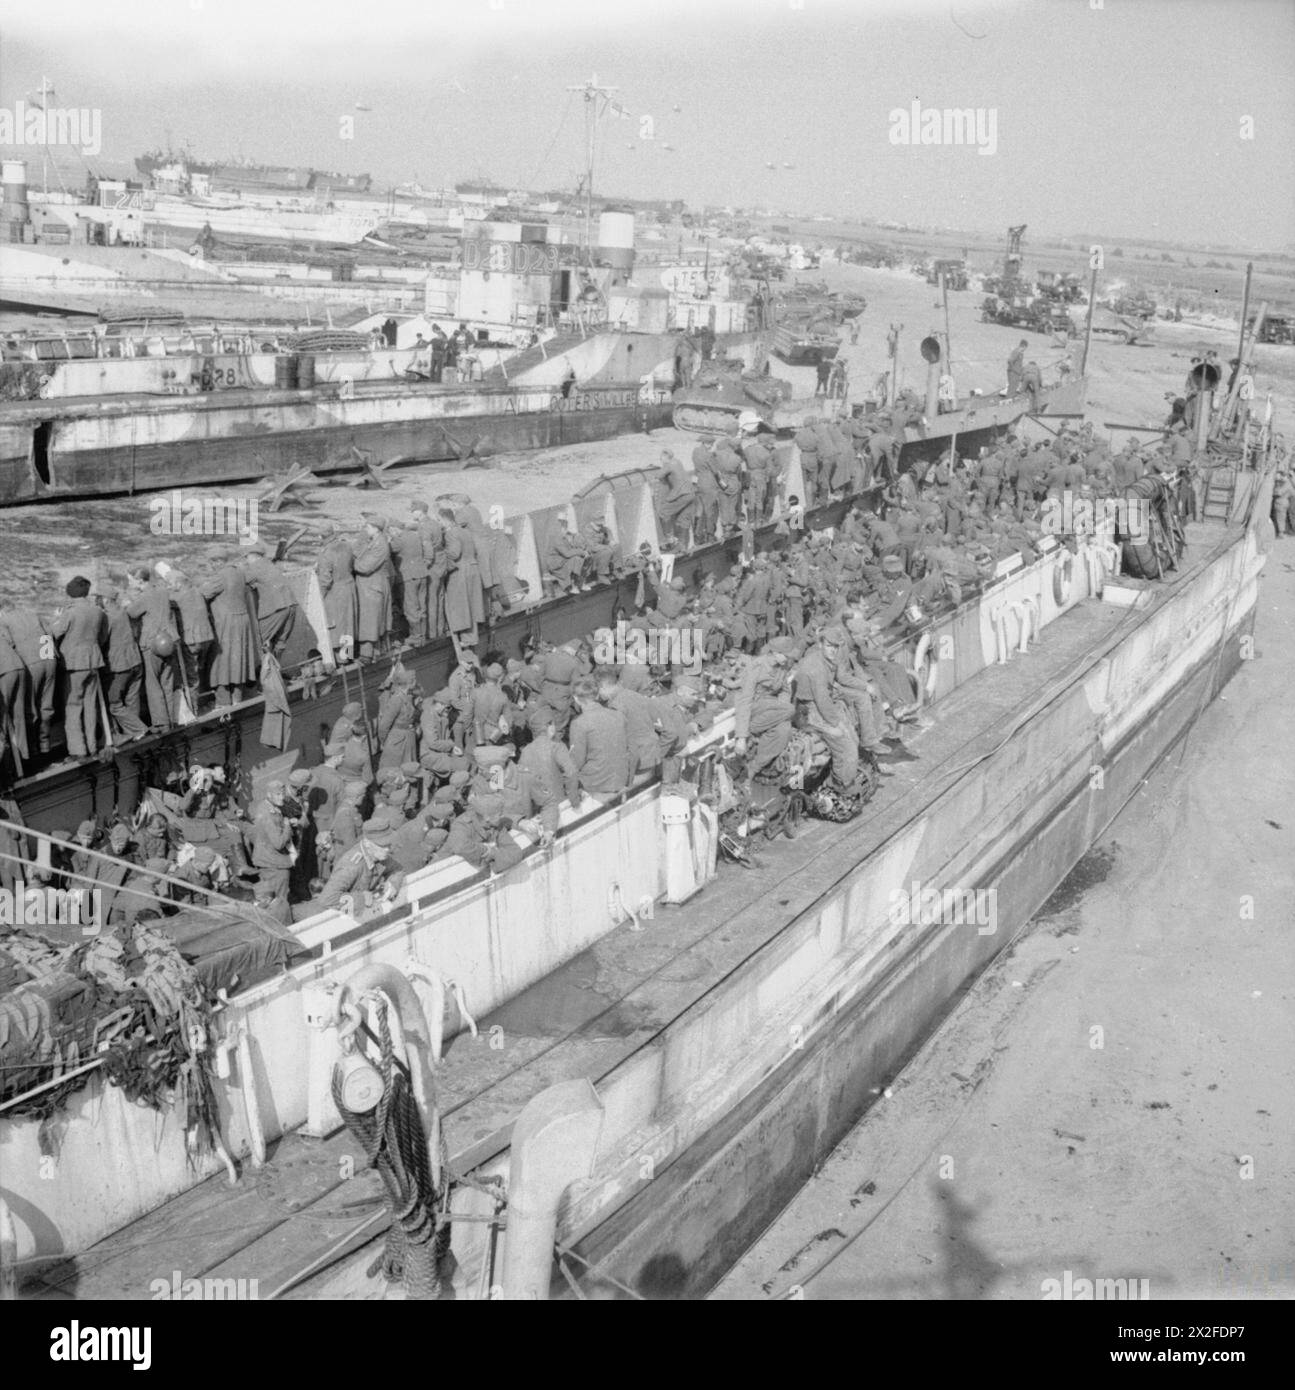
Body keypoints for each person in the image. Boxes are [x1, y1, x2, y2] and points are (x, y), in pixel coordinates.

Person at [49, 576, 108, 759]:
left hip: (74, 664)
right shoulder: (98, 611)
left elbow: (53, 633)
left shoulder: (70, 612)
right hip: (94, 661)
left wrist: (55, 619)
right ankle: (92, 747)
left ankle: (77, 750)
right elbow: (103, 637)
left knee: (73, 706)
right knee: (90, 706)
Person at [125, 566, 181, 732]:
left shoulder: (145, 596)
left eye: (131, 580)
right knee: (167, 682)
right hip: (169, 641)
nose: (129, 583)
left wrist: (128, 602)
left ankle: (161, 724)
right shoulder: (162, 591)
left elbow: (132, 613)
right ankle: (171, 720)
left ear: (140, 581)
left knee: (153, 684)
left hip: (152, 644)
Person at [202, 550, 261, 705]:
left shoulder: (220, 576)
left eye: (210, 564)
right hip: (242, 620)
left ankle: (223, 702)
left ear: (216, 562)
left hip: (227, 623)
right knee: (239, 660)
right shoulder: (239, 572)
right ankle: (237, 698)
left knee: (220, 661)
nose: (210, 567)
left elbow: (204, 594)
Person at [568, 676, 630, 804]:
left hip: (596, 784)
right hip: (620, 778)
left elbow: (576, 761)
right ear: (597, 696)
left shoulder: (579, 724)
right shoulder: (618, 715)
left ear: (576, 699)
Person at [100, 587, 148, 742]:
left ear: (105, 600)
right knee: (132, 700)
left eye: (97, 598)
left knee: (114, 704)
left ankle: (140, 729)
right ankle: (136, 735)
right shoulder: (124, 611)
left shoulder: (108, 618)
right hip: (135, 660)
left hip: (120, 667)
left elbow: (101, 641)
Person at [244, 544, 299, 659]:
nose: (246, 561)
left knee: (258, 640)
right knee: (280, 643)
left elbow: (240, 581)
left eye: (246, 558)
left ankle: (262, 673)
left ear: (251, 556)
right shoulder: (269, 564)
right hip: (291, 605)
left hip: (277, 609)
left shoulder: (255, 567)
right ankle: (275, 673)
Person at [315, 522, 360, 662]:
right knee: (348, 624)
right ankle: (349, 655)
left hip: (336, 592)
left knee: (338, 626)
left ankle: (341, 660)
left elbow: (325, 581)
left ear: (321, 536)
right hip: (350, 587)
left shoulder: (326, 553)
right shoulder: (346, 545)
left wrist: (319, 598)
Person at [352, 514, 394, 662]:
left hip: (372, 587)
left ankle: (366, 655)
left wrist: (350, 562)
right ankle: (372, 652)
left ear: (376, 529)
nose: (366, 529)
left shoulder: (380, 545)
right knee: (371, 620)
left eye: (368, 527)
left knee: (369, 621)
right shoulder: (376, 541)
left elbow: (364, 567)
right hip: (370, 587)